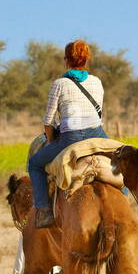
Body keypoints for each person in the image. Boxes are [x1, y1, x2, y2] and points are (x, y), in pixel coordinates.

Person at [27, 40, 106, 228]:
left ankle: (44, 210)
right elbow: (99, 113)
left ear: (66, 60)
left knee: (35, 164)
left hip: (71, 137)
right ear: (87, 60)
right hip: (97, 134)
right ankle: (125, 196)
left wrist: (52, 138)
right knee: (121, 161)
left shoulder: (59, 84)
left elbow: (48, 121)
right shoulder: (97, 81)